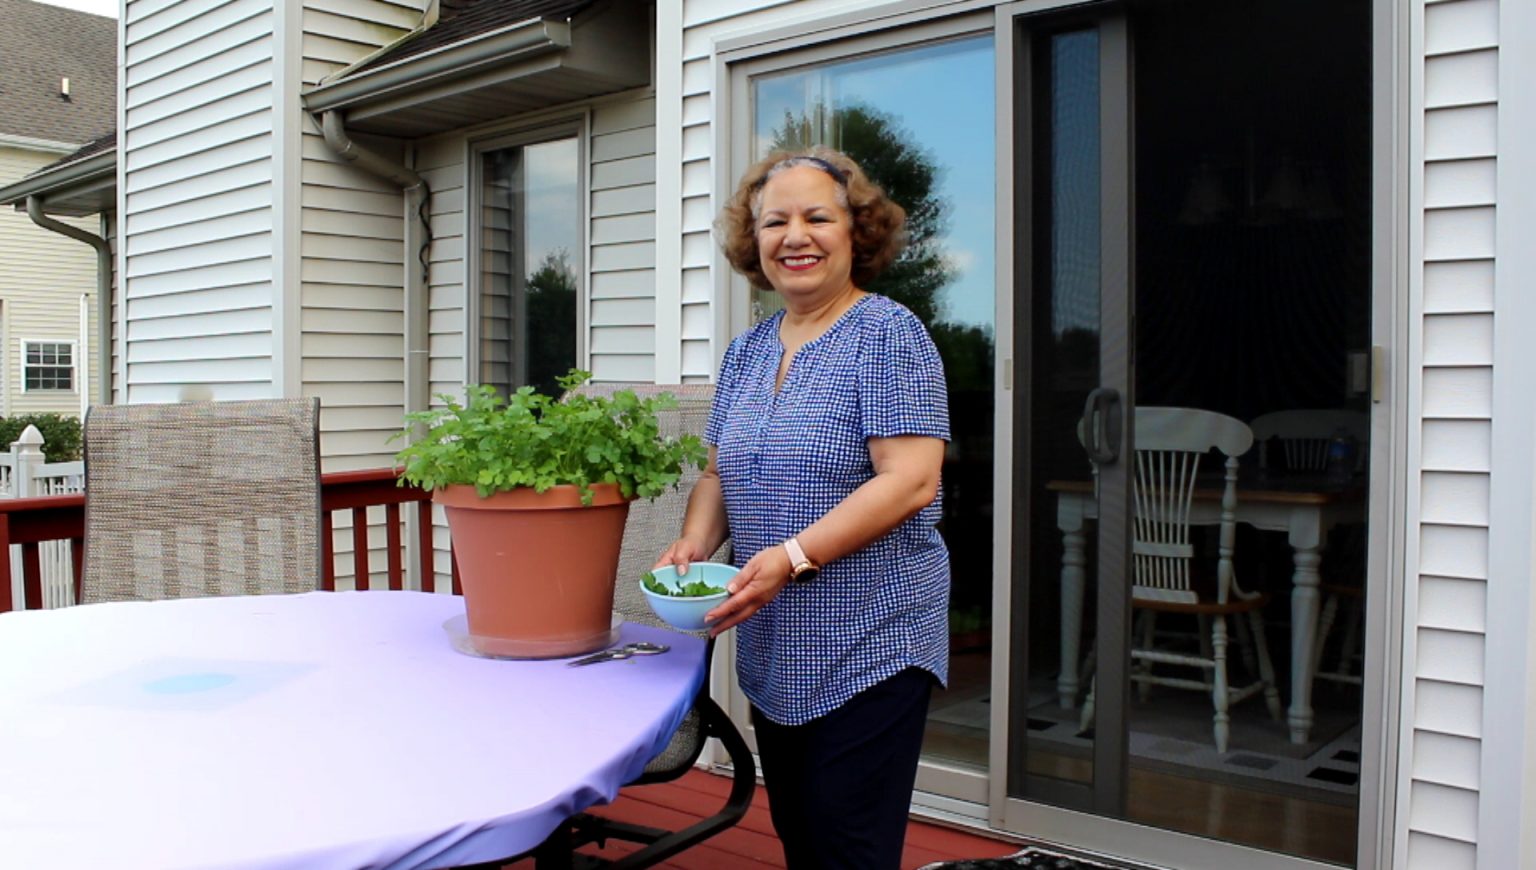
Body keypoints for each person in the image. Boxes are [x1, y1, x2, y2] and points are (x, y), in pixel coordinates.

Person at [653, 146, 951, 869]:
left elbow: (912, 480)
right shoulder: (748, 351)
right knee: (802, 836)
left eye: (817, 217)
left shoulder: (888, 335)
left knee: (848, 847)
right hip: (776, 644)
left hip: (872, 640)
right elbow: (719, 473)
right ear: (752, 241)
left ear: (857, 232)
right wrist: (695, 542)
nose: (795, 237)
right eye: (774, 222)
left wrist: (791, 556)